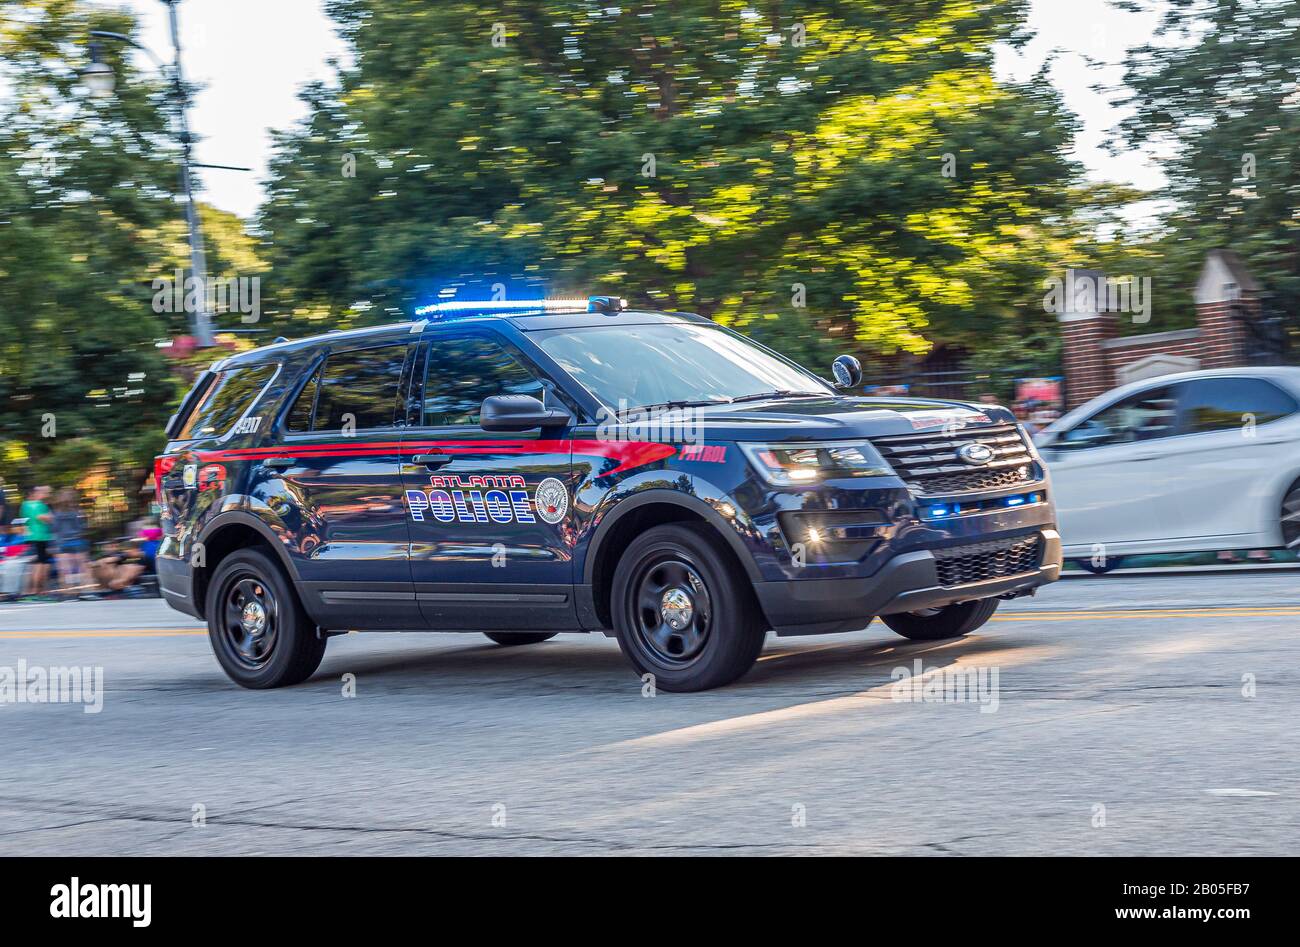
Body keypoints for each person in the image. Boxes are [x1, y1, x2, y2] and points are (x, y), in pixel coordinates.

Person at [19, 485, 56, 601]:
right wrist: (51, 517)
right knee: (40, 564)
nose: (45, 494)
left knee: (38, 564)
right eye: (42, 492)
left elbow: (24, 521)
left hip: (31, 537)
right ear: (34, 494)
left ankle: (33, 591)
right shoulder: (39, 505)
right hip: (41, 536)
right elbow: (42, 517)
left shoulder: (24, 505)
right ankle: (36, 591)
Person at [52, 487, 89, 594]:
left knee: (65, 570)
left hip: (62, 543)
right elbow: (81, 527)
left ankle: (68, 592)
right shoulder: (77, 512)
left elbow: (54, 529)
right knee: (81, 567)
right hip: (77, 541)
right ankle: (83, 589)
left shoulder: (56, 513)